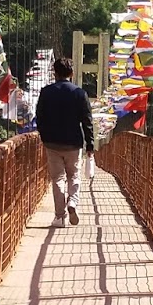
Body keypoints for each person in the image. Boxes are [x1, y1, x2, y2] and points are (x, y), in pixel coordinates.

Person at [35, 55, 94, 227]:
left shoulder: (46, 92)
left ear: (54, 73)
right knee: (74, 176)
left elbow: (40, 118)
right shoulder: (80, 93)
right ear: (72, 73)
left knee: (58, 178)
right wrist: (90, 145)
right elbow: (87, 121)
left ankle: (60, 217)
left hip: (52, 143)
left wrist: (44, 137)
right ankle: (73, 202)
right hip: (74, 144)